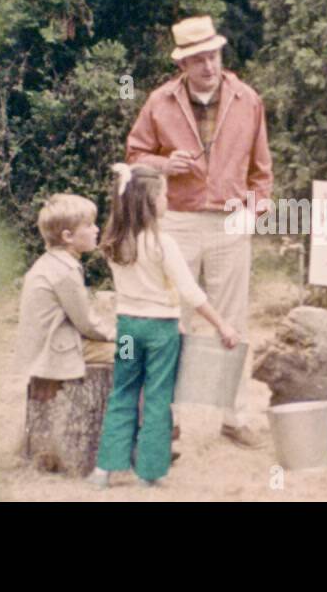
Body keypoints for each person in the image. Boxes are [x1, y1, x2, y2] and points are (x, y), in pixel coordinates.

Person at [125, 15, 273, 449]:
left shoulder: (247, 99)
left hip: (230, 222)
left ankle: (234, 414)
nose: (208, 66)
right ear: (182, 64)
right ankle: (162, 416)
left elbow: (262, 174)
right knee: (172, 317)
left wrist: (253, 210)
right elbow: (134, 154)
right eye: (197, 59)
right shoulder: (159, 102)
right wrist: (163, 164)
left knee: (233, 320)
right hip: (177, 221)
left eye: (212, 55)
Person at [87, 164, 239, 488]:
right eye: (164, 195)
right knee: (157, 398)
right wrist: (221, 324)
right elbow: (189, 291)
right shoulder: (162, 243)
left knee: (123, 392)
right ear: (150, 201)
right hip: (160, 332)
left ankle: (105, 467)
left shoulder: (114, 242)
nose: (168, 200)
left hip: (128, 328)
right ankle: (149, 470)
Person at [14, 193, 116, 386]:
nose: (96, 230)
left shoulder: (50, 262)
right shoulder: (66, 271)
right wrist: (115, 333)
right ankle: (124, 410)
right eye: (89, 225)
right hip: (57, 349)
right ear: (67, 236)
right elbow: (86, 323)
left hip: (46, 345)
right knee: (131, 351)